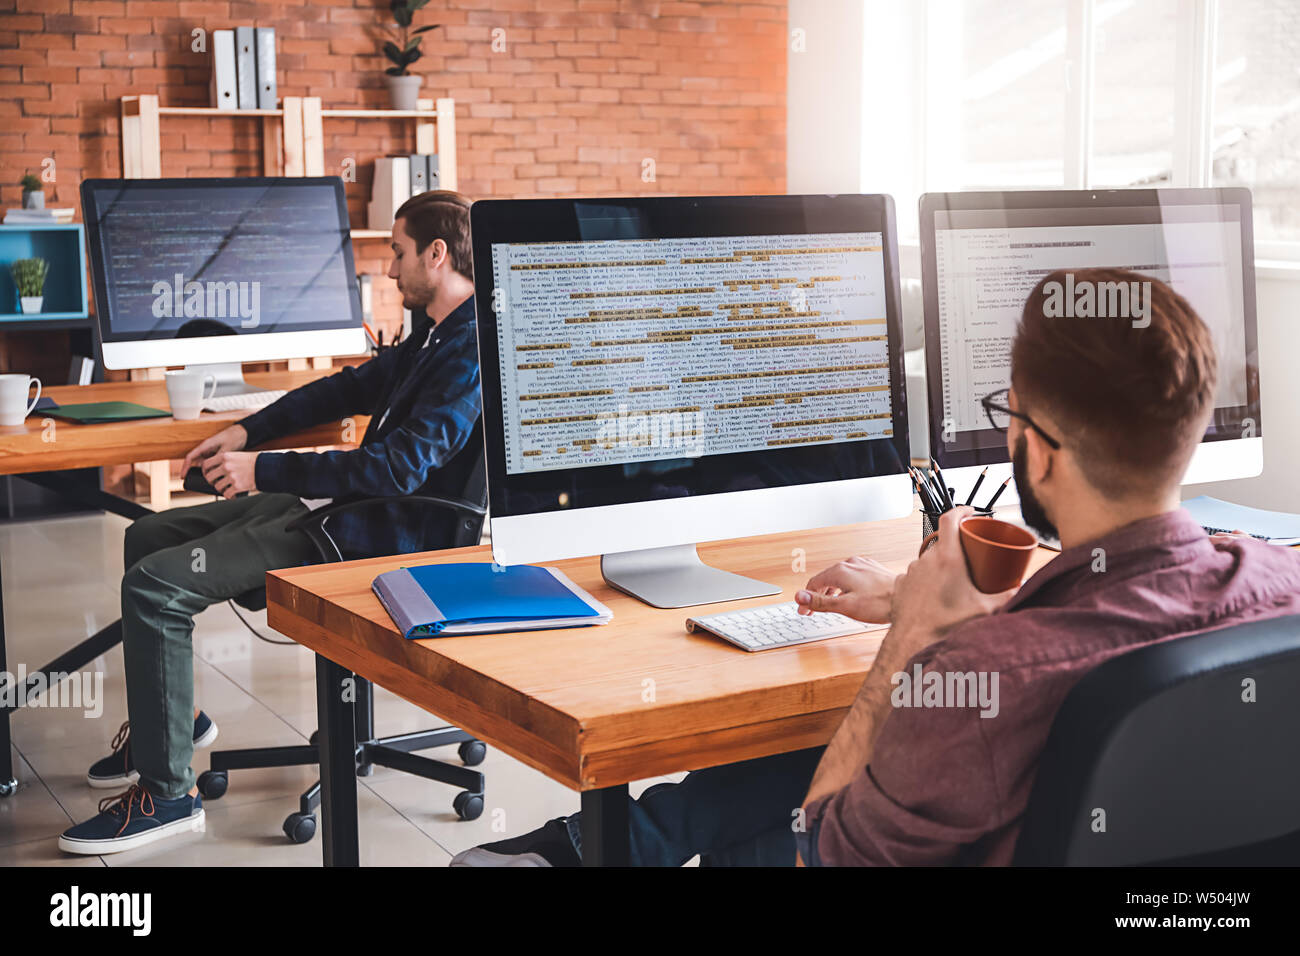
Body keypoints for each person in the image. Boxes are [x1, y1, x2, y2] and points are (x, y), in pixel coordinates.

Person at [451, 267, 1300, 866]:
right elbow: (1110, 634)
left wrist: (913, 644)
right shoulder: (1281, 588)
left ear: (1036, 453)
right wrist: (906, 598)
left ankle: (604, 846)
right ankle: (612, 846)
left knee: (822, 761)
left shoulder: (983, 677)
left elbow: (825, 851)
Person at [59, 190, 482, 855]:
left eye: (397, 252)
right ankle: (171, 722)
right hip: (340, 509)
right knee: (144, 536)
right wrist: (247, 430)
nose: (389, 267)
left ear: (437, 254)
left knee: (156, 585)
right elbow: (344, 389)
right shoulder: (434, 333)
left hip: (375, 536)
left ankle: (169, 795)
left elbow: (398, 470)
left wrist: (267, 469)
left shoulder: (470, 349)